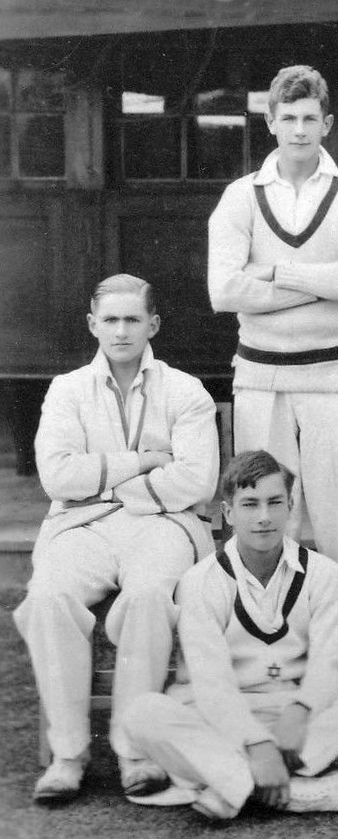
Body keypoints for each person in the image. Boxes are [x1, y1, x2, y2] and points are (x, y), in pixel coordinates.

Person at [119, 451, 338, 820]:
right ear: (228, 513)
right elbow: (212, 685)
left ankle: (230, 783)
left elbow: (331, 663)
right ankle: (297, 792)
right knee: (141, 712)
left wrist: (301, 709)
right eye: (249, 504)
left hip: (297, 719)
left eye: (274, 502)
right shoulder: (201, 580)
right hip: (222, 716)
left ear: (291, 505)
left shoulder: (322, 572)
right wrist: (256, 742)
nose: (263, 517)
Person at [16, 274, 218, 803]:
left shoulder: (185, 390)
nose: (122, 331)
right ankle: (68, 755)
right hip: (80, 527)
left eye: (133, 319)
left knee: (151, 594)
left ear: (153, 323)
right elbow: (58, 478)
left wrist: (110, 485)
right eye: (111, 320)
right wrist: (144, 462)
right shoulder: (67, 390)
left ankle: (135, 750)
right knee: (48, 597)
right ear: (93, 325)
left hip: (162, 525)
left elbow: (195, 481)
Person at [207, 64, 338, 577]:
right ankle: (273, 637)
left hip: (336, 374)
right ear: (270, 122)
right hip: (262, 376)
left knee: (336, 514)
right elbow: (224, 290)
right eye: (289, 118)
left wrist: (278, 272)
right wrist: (321, 287)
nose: (300, 130)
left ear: (327, 123)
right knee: (266, 513)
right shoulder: (241, 196)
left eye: (310, 118)